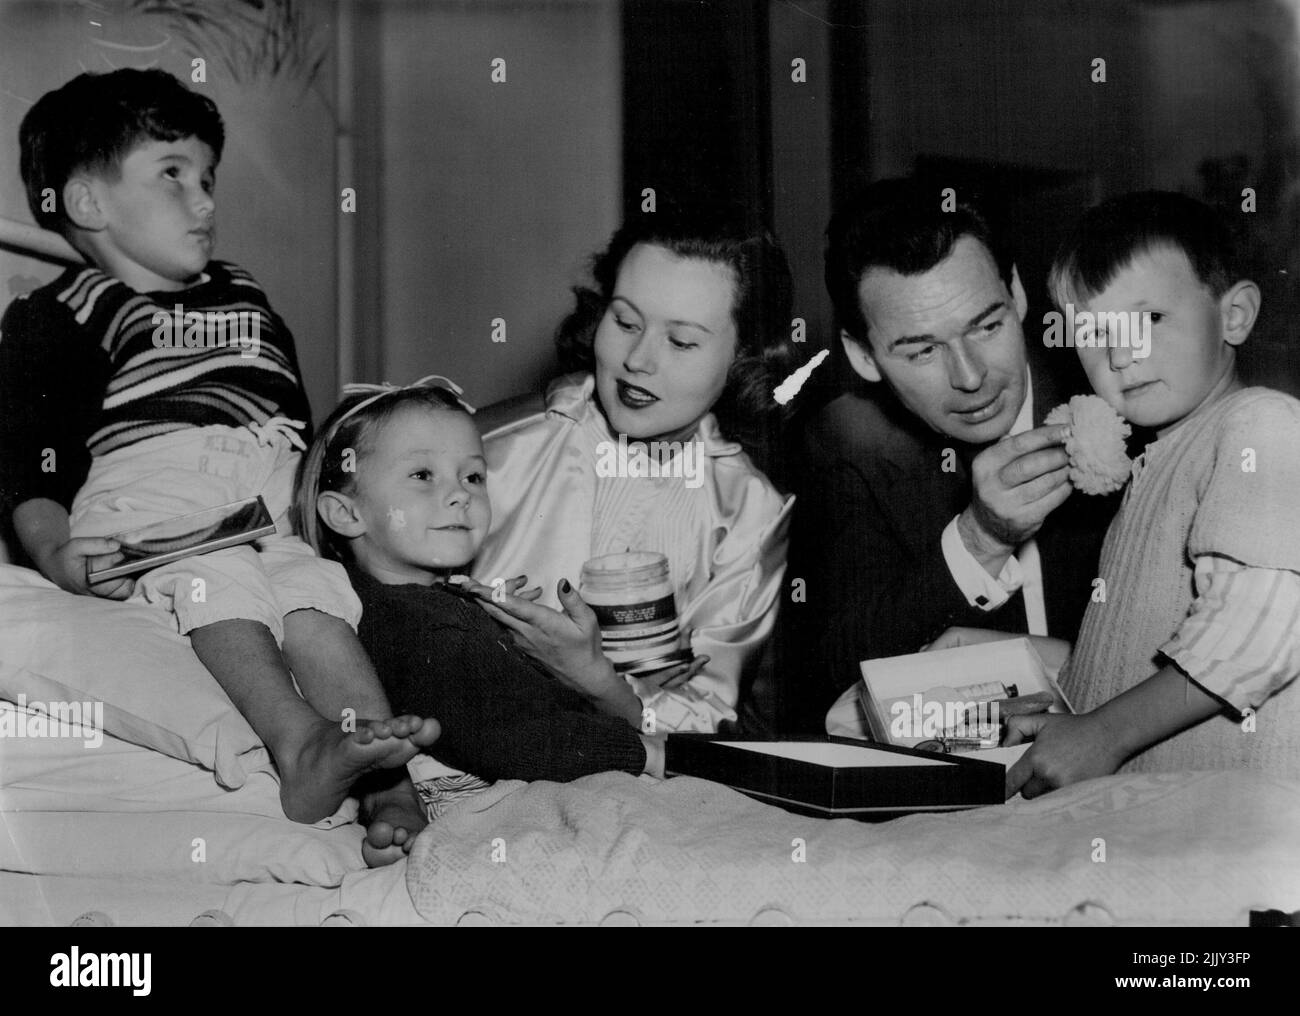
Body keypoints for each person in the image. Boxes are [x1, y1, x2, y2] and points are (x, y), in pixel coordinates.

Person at [0, 69, 436, 844]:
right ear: (87, 204)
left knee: (315, 595)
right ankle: (299, 745)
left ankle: (383, 773)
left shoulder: (242, 290)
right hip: (153, 481)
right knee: (220, 578)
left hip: (268, 483)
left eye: (208, 178)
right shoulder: (61, 312)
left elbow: (293, 414)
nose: (205, 201)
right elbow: (29, 462)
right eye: (172, 175)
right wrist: (55, 551)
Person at [779, 178, 1117, 733]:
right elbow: (826, 676)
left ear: (1018, 293)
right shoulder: (844, 446)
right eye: (923, 350)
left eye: (987, 326)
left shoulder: (1120, 394)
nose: (971, 377)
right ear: (863, 356)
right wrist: (981, 538)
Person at [994, 191, 1300, 795]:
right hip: (1147, 825)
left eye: (1150, 320)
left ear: (1234, 315)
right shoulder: (1153, 466)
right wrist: (1026, 658)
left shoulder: (1262, 423)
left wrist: (1104, 732)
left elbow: (1265, 623)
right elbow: (1142, 650)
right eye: (1093, 333)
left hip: (1229, 832)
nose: (1121, 355)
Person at [469, 205, 797, 733]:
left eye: (682, 341)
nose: (638, 359)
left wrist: (594, 679)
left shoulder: (750, 511)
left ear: (744, 358)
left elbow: (702, 719)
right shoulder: (494, 446)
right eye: (624, 321)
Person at [296, 377, 665, 820]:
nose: (460, 494)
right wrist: (645, 752)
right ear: (346, 513)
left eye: (473, 476)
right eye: (422, 475)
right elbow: (505, 738)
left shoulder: (437, 606)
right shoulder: (415, 619)